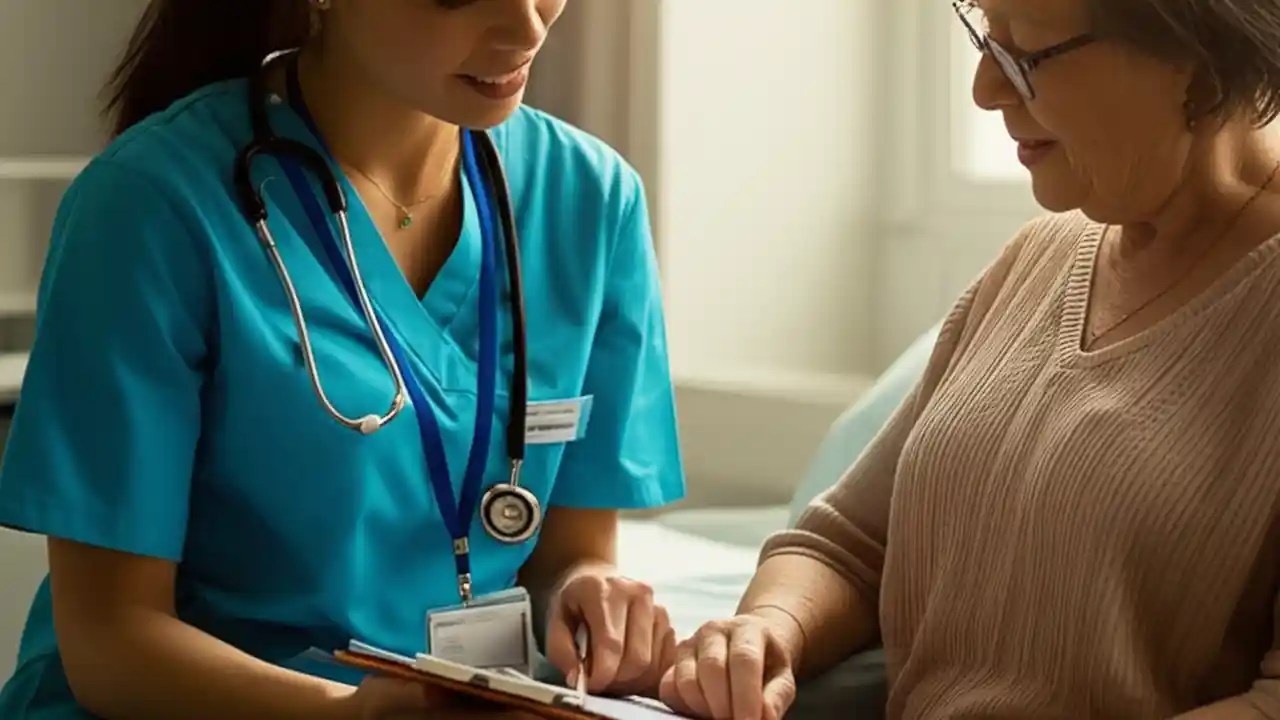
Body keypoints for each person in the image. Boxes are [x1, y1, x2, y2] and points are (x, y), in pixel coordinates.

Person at [0, 1, 686, 718]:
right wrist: (345, 714)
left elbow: (565, 552)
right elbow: (110, 643)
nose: (528, 28)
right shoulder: (149, 207)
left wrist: (585, 590)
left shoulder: (590, 200)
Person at [660, 0, 1280, 718]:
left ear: (1197, 62)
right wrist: (771, 630)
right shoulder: (1034, 261)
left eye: (1029, 56)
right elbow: (847, 544)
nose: (985, 88)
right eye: (986, 40)